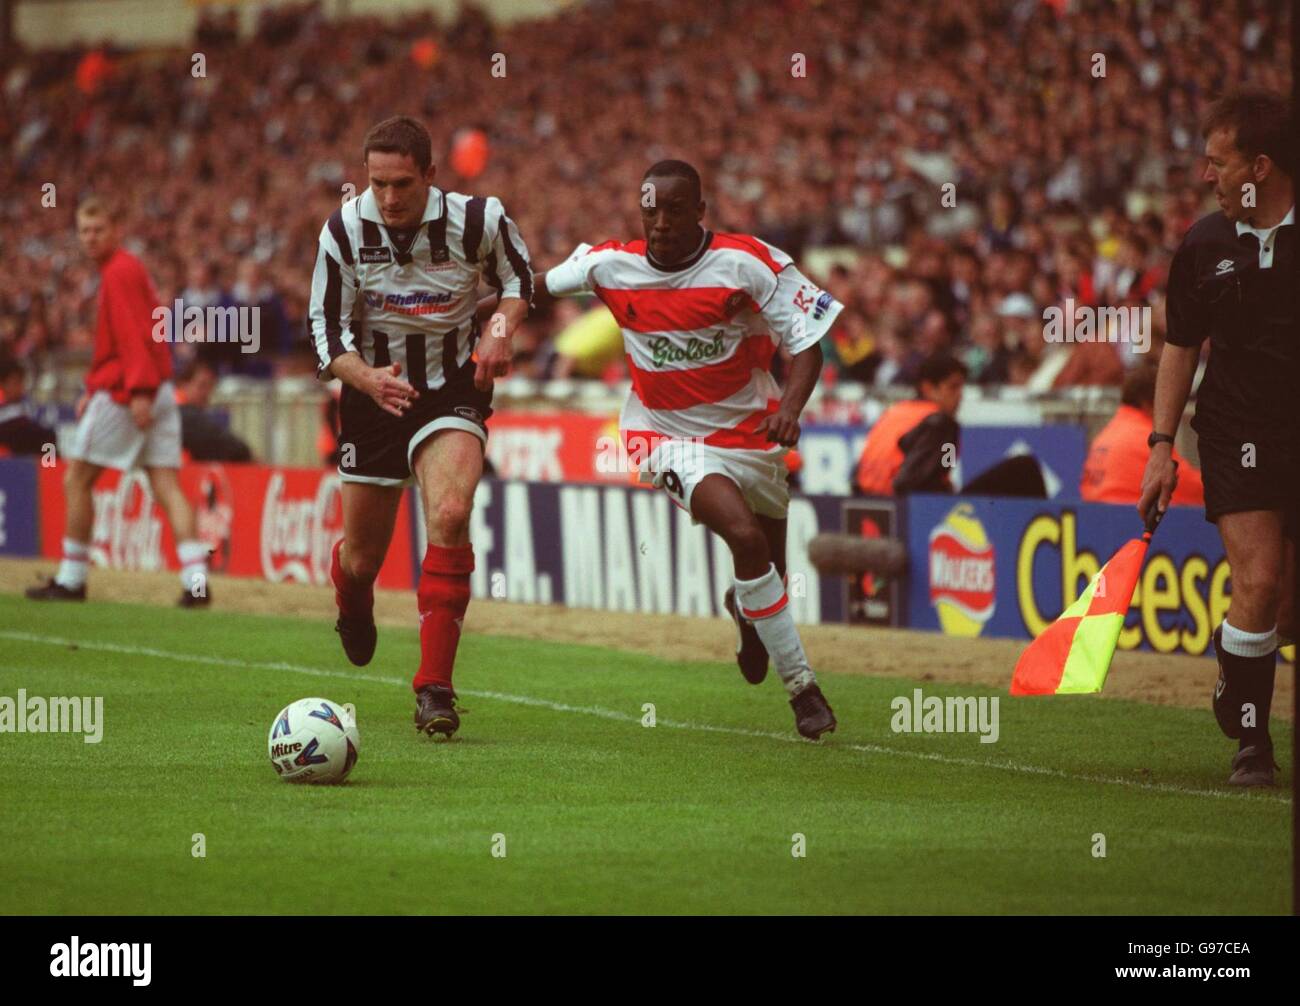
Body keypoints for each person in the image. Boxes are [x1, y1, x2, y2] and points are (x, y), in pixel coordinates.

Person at [529, 160, 839, 740]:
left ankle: (749, 614)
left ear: (701, 212)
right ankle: (804, 690)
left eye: (675, 210)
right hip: (665, 435)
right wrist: (481, 327)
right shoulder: (608, 265)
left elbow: (810, 343)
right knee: (743, 537)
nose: (661, 223)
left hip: (752, 434)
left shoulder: (749, 263)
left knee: (770, 564)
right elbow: (529, 288)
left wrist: (790, 408)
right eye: (651, 210)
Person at [308, 116, 530, 739]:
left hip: (452, 389)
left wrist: (500, 328)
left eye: (402, 182)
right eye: (376, 182)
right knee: (362, 559)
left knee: (452, 513)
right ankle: (352, 597)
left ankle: (434, 688)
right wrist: (367, 378)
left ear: (431, 175)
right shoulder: (343, 230)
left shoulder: (480, 220)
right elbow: (326, 335)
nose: (388, 196)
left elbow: (520, 281)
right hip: (373, 395)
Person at [1138, 87, 1295, 787]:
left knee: (1282, 608)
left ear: (1259, 168)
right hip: (1236, 429)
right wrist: (1161, 445)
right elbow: (1180, 347)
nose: (1207, 177)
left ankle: (1236, 666)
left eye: (1217, 163)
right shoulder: (1203, 242)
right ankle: (1253, 749)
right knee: (1258, 581)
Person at [26, 197, 210, 605]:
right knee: (166, 484)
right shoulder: (126, 269)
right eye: (84, 230)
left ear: (116, 230)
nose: (90, 238)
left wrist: (137, 392)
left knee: (77, 479)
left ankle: (72, 579)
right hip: (156, 388)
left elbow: (132, 337)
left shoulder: (118, 272)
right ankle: (196, 582)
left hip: (131, 392)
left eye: (98, 230)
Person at [1081, 364, 1203, 506]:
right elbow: (1193, 488)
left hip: (1094, 517)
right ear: (1149, 403)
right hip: (1127, 519)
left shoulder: (1109, 431)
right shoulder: (1146, 438)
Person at [174, 358, 253, 462]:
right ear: (182, 384)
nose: (206, 393)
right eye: (202, 386)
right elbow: (233, 448)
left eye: (210, 387)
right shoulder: (184, 413)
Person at [0, 356, 56, 456]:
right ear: (3, 384)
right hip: (6, 459)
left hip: (28, 457)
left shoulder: (28, 406)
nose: (20, 387)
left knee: (49, 440)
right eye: (15, 383)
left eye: (21, 382)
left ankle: (49, 467)